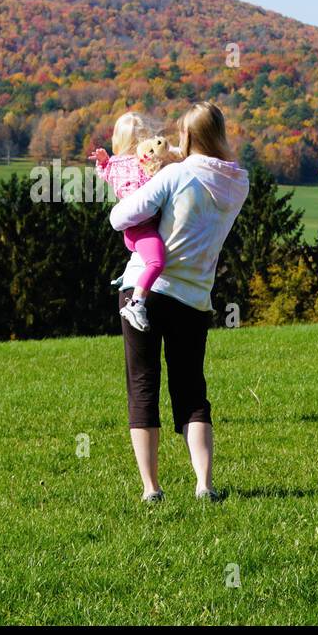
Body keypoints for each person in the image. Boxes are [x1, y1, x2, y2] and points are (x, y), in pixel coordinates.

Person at [109, 101, 249, 503]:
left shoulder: (177, 174)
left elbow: (121, 216)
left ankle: (151, 488)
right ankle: (204, 483)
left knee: (143, 386)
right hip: (195, 297)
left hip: (145, 290)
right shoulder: (239, 182)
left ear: (186, 137)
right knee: (191, 390)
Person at [91, 113, 176, 332]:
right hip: (142, 228)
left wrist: (103, 161)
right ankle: (136, 303)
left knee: (148, 257)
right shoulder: (142, 163)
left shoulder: (115, 164)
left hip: (135, 229)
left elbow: (105, 174)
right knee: (156, 262)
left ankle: (128, 276)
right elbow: (152, 186)